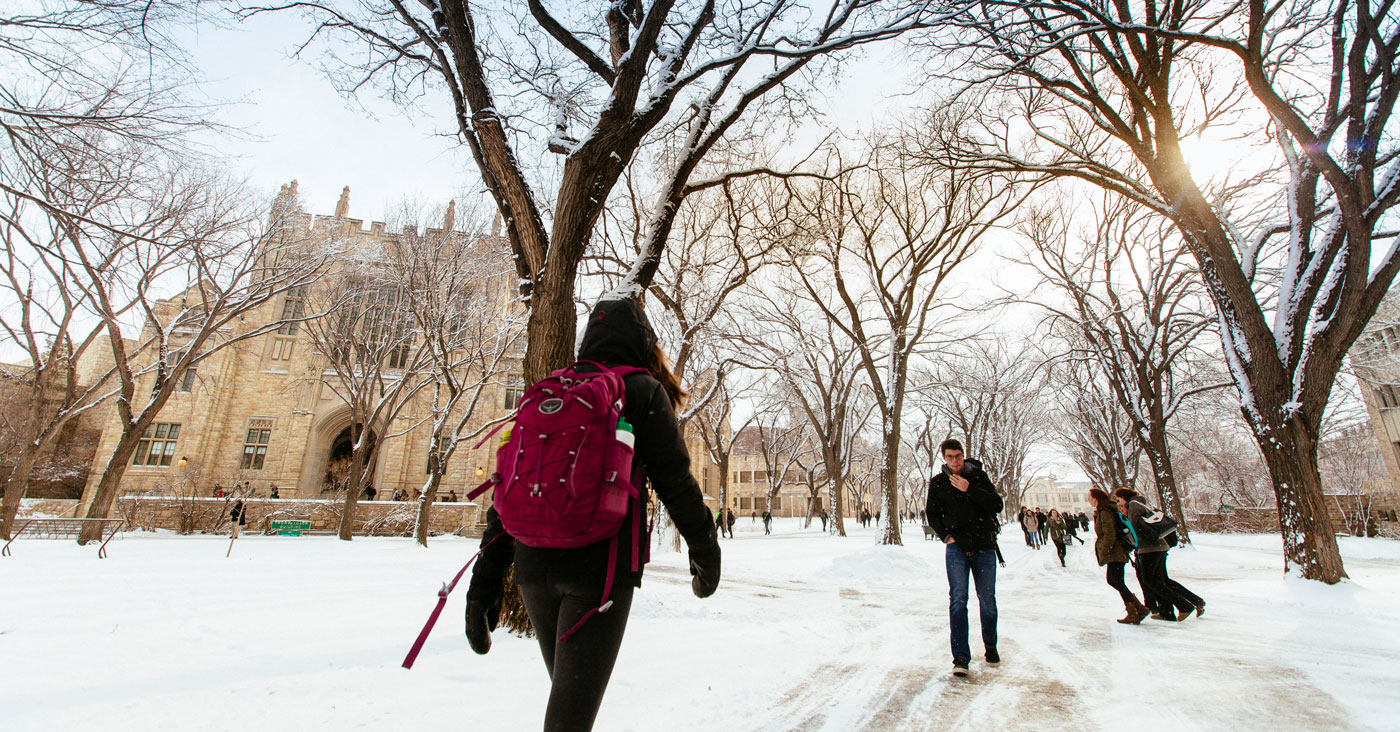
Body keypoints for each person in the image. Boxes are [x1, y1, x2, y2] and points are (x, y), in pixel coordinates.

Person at [463, 299, 721, 732]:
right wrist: (705, 550)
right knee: (569, 719)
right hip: (599, 574)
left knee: (569, 709)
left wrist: (483, 585)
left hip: (533, 568)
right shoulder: (641, 391)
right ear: (644, 343)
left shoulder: (551, 389)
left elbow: (509, 491)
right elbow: (676, 482)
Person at [925, 439, 1004, 677]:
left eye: (958, 456)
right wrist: (946, 536)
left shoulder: (978, 477)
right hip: (956, 548)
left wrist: (969, 489)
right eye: (950, 457)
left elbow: (997, 505)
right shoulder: (938, 483)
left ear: (963, 455)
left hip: (984, 546)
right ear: (944, 458)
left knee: (987, 599)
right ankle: (960, 656)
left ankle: (990, 646)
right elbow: (932, 513)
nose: (955, 461)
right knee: (958, 600)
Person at [1114, 487, 1205, 622]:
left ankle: (1184, 605)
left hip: (1149, 549)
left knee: (1150, 581)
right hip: (1159, 546)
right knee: (1162, 581)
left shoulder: (1133, 505)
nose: (1118, 502)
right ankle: (1170, 610)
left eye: (1119, 499)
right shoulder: (1141, 503)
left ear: (1124, 496)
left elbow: (1135, 529)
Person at [1089, 488, 1147, 624]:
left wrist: (1104, 550)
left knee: (1117, 581)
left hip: (1115, 552)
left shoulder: (1105, 512)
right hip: (1115, 552)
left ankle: (1135, 611)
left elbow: (1110, 533)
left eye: (1090, 497)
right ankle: (1137, 608)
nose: (1089, 499)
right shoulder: (1104, 511)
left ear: (1096, 498)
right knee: (1114, 580)